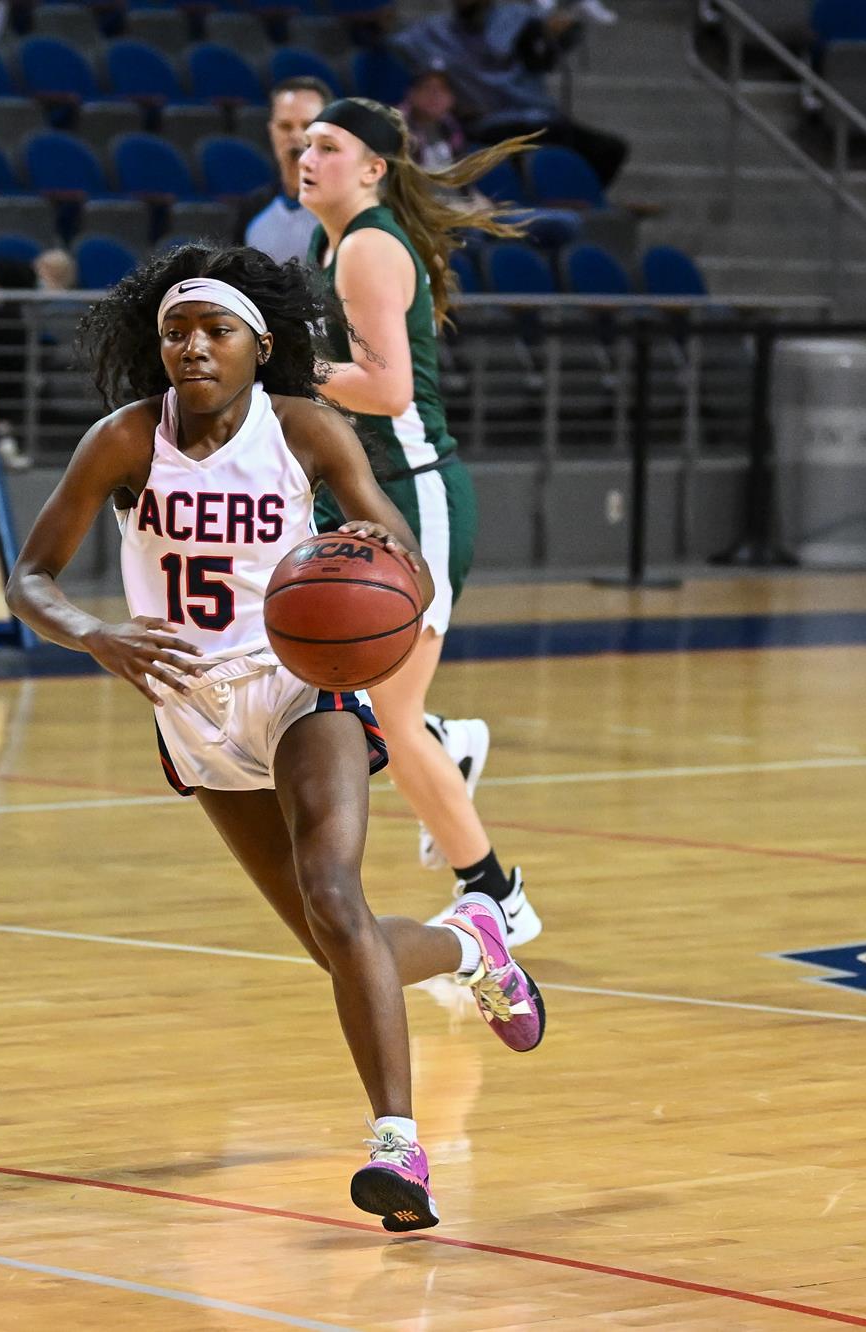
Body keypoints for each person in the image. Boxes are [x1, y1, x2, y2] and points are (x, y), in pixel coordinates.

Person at [6, 243, 545, 1230]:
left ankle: (398, 1150)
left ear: (259, 346)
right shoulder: (124, 441)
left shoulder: (303, 430)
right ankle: (473, 944)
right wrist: (92, 633)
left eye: (215, 331)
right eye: (175, 332)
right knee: (333, 947)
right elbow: (29, 576)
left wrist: (365, 580)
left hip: (303, 688)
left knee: (335, 898)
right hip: (193, 709)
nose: (192, 347)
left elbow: (402, 558)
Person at [298, 97, 542, 944]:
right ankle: (447, 739)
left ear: (372, 169)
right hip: (356, 492)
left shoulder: (367, 246)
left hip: (412, 495)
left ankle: (498, 895)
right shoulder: (326, 245)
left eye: (328, 145)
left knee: (386, 724)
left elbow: (388, 390)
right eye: (303, 142)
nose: (306, 153)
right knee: (347, 697)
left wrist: (282, 366)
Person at [393, 0, 627, 190]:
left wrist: (555, 32)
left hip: (534, 114)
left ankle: (582, 199)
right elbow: (392, 43)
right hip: (488, 120)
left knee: (609, 150)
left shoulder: (515, 21)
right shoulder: (434, 34)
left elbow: (545, 47)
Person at [238, 76, 328, 265]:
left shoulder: (346, 208)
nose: (296, 136)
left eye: (307, 125)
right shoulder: (253, 209)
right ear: (271, 131)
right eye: (285, 126)